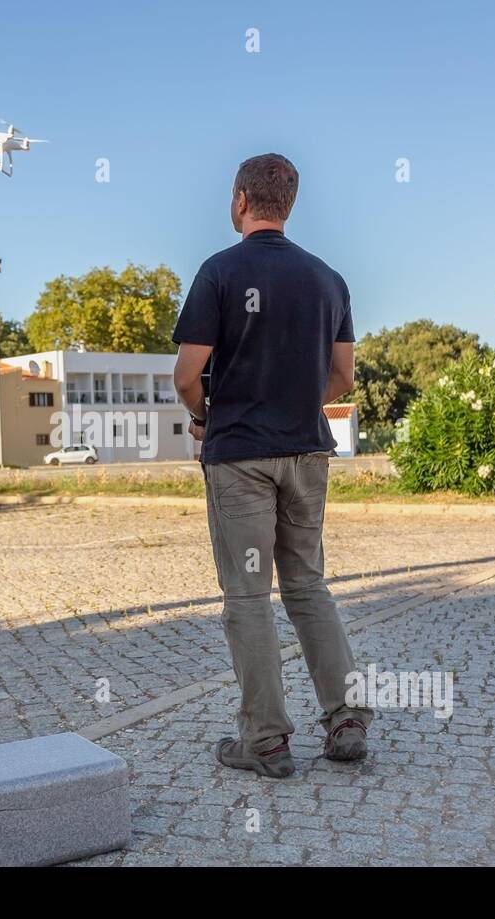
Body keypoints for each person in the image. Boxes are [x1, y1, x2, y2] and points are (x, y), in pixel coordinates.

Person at [172, 153, 374, 778]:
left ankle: (264, 739)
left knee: (249, 595)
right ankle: (345, 719)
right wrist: (290, 401)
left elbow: (185, 377)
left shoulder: (219, 272)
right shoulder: (328, 280)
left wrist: (209, 414)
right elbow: (341, 377)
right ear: (289, 204)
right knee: (308, 584)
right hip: (308, 452)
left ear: (240, 201)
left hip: (241, 458)